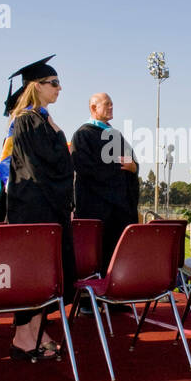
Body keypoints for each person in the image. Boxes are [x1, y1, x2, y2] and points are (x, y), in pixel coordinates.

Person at [0, 56, 75, 362]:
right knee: (32, 273)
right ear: (36, 86)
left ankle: (35, 330)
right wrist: (58, 133)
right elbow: (44, 168)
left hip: (45, 208)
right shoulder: (29, 121)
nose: (59, 88)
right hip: (33, 210)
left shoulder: (38, 120)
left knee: (43, 274)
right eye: (53, 83)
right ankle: (22, 335)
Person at [71, 92, 140, 271]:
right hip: (96, 210)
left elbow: (132, 164)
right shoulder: (83, 135)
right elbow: (85, 169)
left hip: (119, 212)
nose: (111, 107)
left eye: (112, 104)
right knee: (95, 262)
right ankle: (91, 297)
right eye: (107, 104)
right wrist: (116, 171)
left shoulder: (115, 135)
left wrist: (133, 168)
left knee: (117, 261)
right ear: (94, 108)